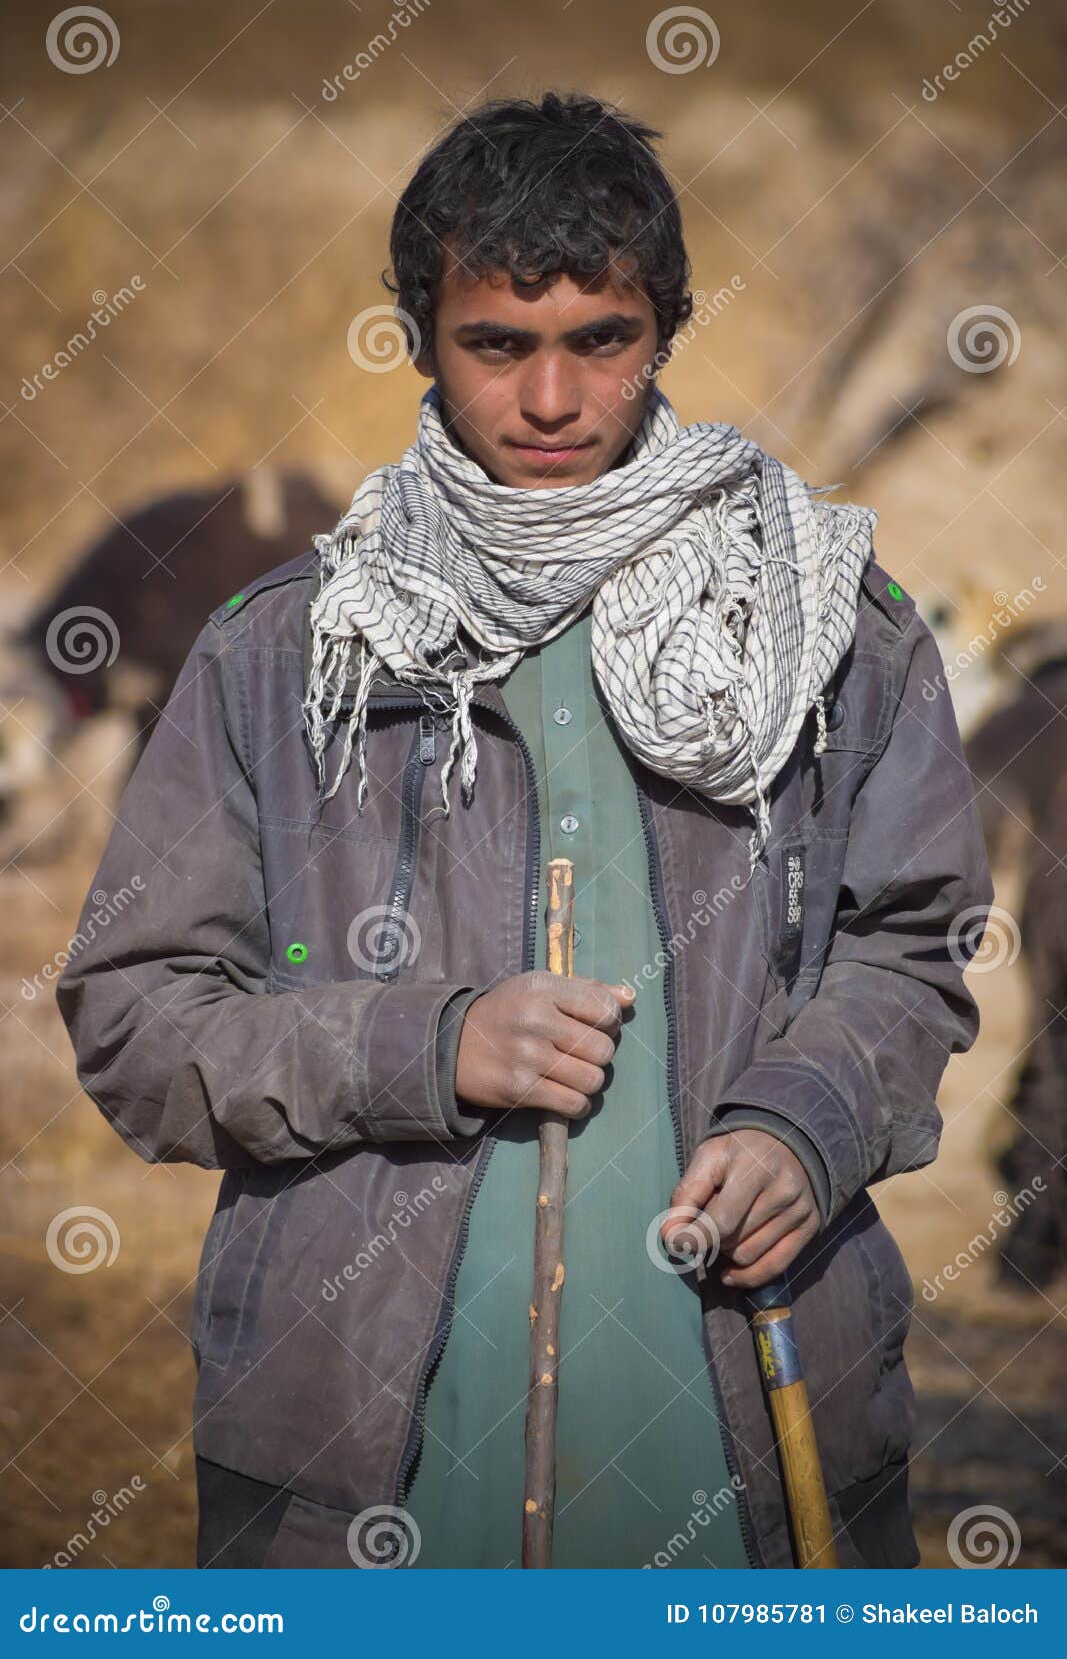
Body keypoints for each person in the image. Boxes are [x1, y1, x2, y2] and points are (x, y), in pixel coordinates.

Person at [57, 90, 992, 1570]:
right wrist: (420, 1049)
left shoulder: (825, 631)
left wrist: (805, 1124)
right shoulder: (284, 652)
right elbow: (134, 1014)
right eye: (499, 344)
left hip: (744, 1460)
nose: (549, 401)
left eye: (600, 342)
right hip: (356, 1488)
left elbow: (914, 946)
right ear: (425, 338)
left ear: (663, 332)